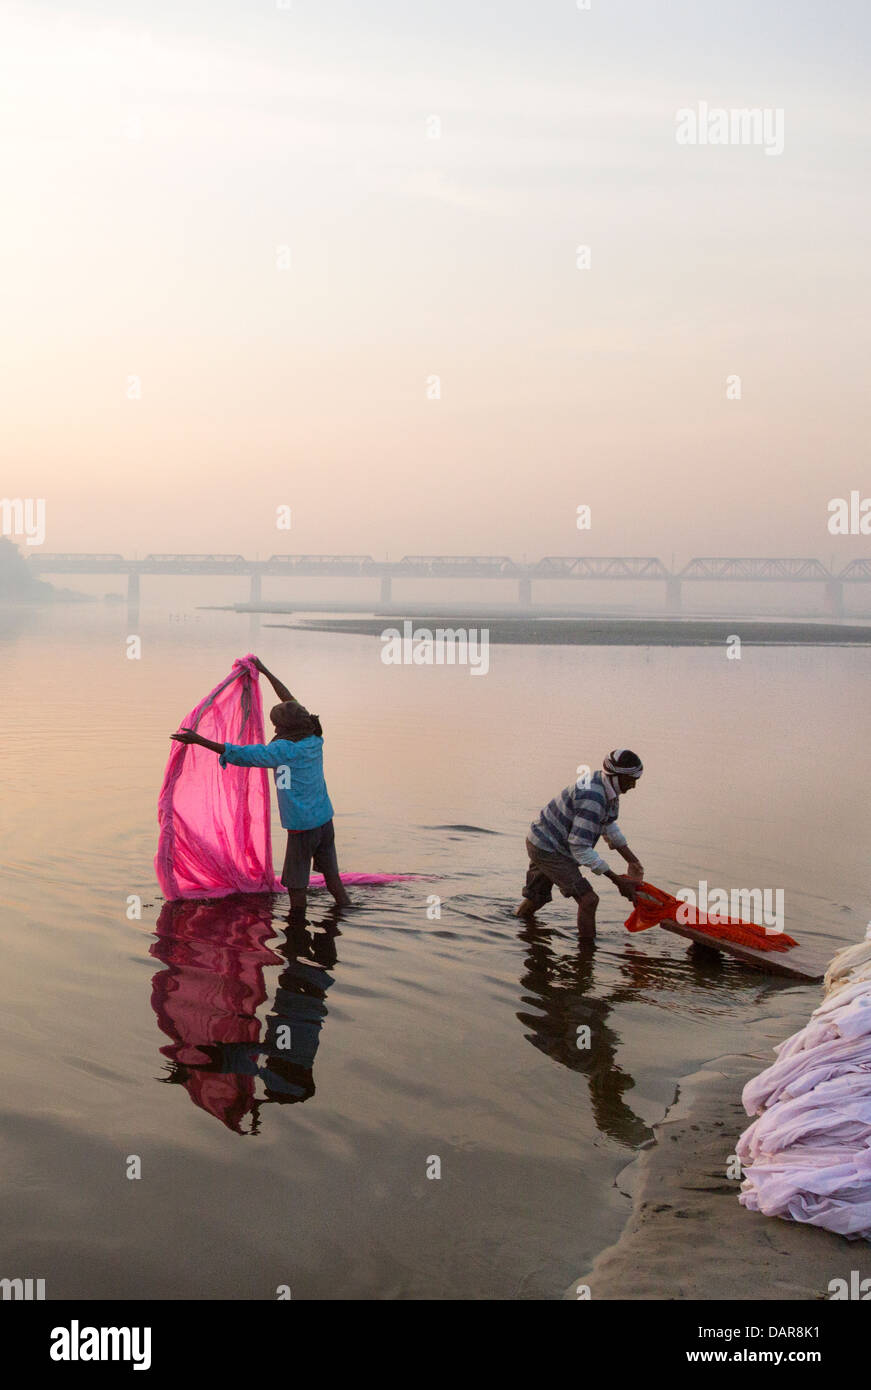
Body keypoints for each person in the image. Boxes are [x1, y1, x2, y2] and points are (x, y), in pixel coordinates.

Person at [170, 657, 350, 920]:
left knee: (295, 885)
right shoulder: (314, 737)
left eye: (277, 724)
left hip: (302, 828)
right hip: (325, 820)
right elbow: (291, 700)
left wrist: (198, 740)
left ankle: (296, 929)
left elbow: (242, 754)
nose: (274, 728)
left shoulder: (282, 750)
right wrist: (265, 671)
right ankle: (345, 909)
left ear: (286, 728)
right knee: (332, 876)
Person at [515, 749, 645, 939]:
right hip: (548, 848)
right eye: (630, 780)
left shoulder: (606, 787)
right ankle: (587, 957)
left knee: (537, 898)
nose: (633, 785)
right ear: (615, 776)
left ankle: (517, 923)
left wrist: (633, 861)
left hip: (544, 841)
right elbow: (580, 847)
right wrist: (617, 881)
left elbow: (607, 824)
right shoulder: (594, 796)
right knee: (589, 900)